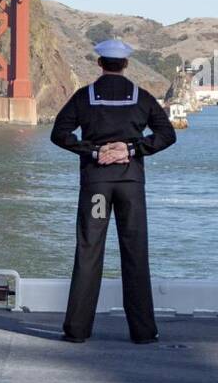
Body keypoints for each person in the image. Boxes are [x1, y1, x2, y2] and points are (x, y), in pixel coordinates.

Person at [50, 38, 176, 344]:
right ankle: (143, 332)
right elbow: (167, 134)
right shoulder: (141, 97)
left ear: (99, 64)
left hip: (96, 185)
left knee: (89, 250)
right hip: (130, 184)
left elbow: (59, 134)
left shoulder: (84, 97)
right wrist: (132, 148)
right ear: (126, 64)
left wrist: (93, 152)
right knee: (135, 253)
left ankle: (77, 330)